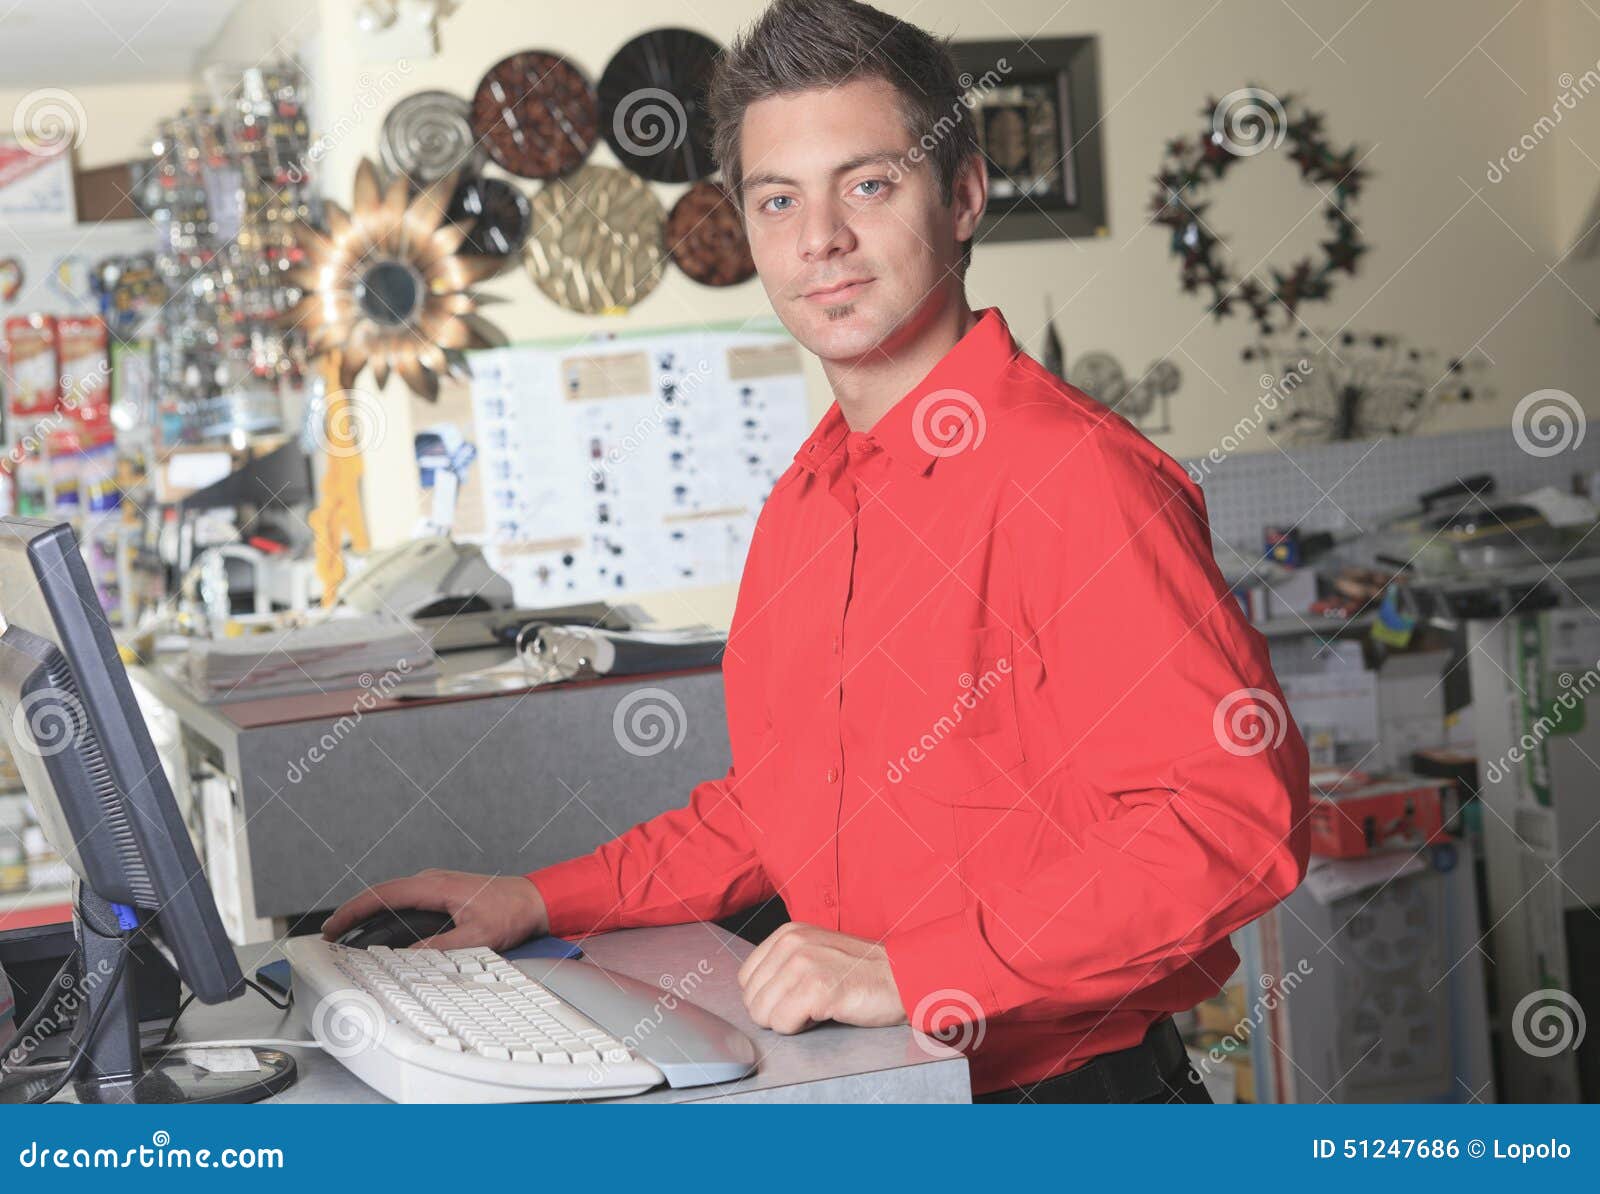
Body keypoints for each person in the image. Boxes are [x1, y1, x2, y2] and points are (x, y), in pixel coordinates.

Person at [324, 0, 1310, 1103]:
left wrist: (918, 973)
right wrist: (538, 898)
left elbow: (1234, 818)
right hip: (878, 1091)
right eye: (777, 199)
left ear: (966, 193)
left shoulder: (1072, 478)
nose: (819, 239)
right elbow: (777, 806)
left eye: (870, 184)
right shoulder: (808, 494)